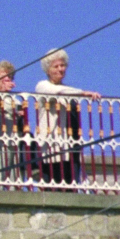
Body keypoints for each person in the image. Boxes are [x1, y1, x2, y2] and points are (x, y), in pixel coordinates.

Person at [33, 48, 100, 186]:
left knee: (70, 183)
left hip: (68, 145)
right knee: (51, 183)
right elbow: (58, 92)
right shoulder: (42, 85)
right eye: (56, 66)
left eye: (62, 66)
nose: (60, 69)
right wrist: (84, 93)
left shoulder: (70, 91)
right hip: (50, 144)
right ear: (48, 70)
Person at [0, 59, 27, 181]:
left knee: (15, 179)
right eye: (3, 76)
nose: (6, 79)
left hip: (15, 142)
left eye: (9, 77)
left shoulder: (15, 100)